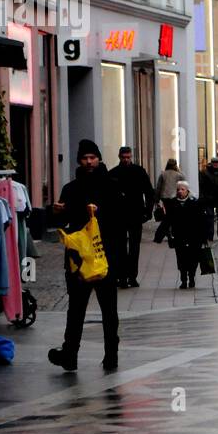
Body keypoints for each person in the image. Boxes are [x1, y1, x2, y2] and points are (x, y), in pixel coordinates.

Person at [50, 139, 123, 372]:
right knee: (76, 308)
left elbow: (122, 221)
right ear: (79, 161)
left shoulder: (111, 185)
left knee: (109, 310)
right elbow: (63, 225)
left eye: (92, 157)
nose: (89, 161)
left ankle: (111, 355)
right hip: (78, 260)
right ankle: (70, 355)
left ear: (99, 159)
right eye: (85, 158)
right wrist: (58, 212)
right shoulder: (71, 188)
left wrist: (101, 213)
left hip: (104, 257)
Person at [110, 146, 155, 288]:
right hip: (118, 215)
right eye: (124, 157)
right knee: (120, 247)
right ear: (119, 157)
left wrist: (148, 211)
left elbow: (148, 191)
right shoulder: (113, 173)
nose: (126, 160)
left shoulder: (139, 171)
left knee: (134, 247)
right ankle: (122, 276)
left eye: (128, 157)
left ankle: (132, 276)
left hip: (136, 214)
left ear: (131, 157)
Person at [164, 180, 209, 289]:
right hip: (179, 236)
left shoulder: (195, 202)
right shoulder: (173, 203)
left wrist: (204, 237)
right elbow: (167, 220)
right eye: (178, 189)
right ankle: (183, 280)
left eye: (182, 189)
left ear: (187, 191)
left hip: (195, 236)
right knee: (181, 259)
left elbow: (202, 221)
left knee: (193, 259)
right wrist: (163, 235)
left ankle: (192, 278)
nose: (180, 191)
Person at [153, 159, 182, 244]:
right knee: (171, 217)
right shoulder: (179, 175)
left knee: (169, 217)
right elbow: (183, 186)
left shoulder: (163, 174)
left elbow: (158, 188)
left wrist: (157, 199)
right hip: (175, 198)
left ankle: (162, 235)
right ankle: (162, 235)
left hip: (165, 198)